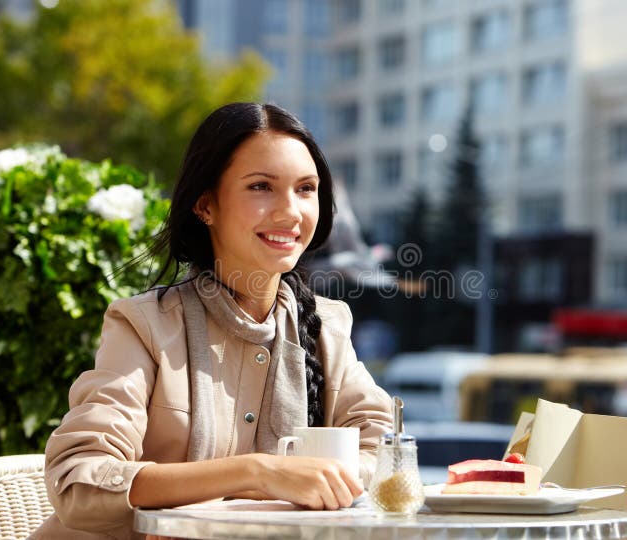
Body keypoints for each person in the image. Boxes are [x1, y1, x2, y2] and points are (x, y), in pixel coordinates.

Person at [32, 103, 394, 539]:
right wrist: (257, 473)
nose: (290, 211)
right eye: (261, 186)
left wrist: (325, 479)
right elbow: (80, 481)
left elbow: (384, 446)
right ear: (206, 205)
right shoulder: (143, 325)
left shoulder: (326, 327)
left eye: (305, 189)